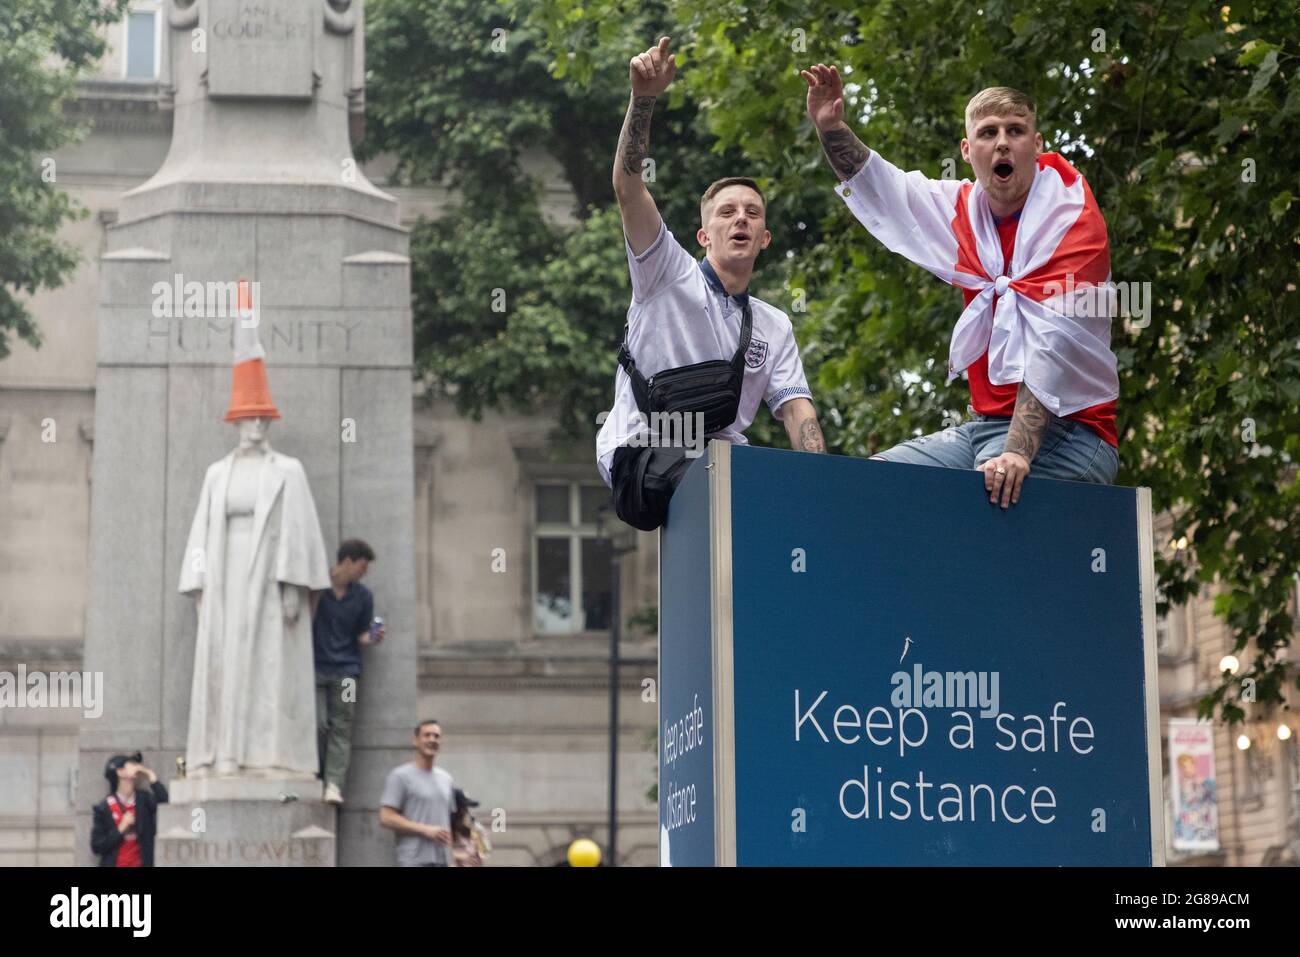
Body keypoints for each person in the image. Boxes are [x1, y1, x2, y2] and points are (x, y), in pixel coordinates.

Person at [802, 66, 1120, 508]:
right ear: (968, 151)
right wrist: (831, 127)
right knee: (867, 485)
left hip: (1070, 434)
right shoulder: (965, 212)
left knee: (981, 496)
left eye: (1016, 130)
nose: (1003, 142)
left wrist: (1014, 452)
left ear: (1038, 144)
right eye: (989, 132)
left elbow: (1054, 350)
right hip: (985, 428)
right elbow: (890, 191)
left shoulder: (1071, 218)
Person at [597, 36, 825, 530]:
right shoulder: (665, 274)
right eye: (727, 212)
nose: (740, 218)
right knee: (726, 491)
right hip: (644, 453)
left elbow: (796, 411)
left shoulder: (774, 324)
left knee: (774, 500)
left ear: (764, 238)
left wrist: (818, 482)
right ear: (704, 235)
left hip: (724, 466)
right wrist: (643, 99)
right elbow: (627, 185)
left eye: (752, 213)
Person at [311, 538, 384, 806]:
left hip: (348, 671)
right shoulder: (317, 587)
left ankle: (333, 784)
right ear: (348, 562)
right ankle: (317, 776)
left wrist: (372, 637)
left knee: (343, 725)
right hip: (316, 668)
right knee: (318, 724)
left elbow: (362, 635)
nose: (363, 573)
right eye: (362, 567)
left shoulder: (363, 596)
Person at [378, 720, 455, 867]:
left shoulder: (447, 779)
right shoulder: (400, 776)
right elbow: (385, 817)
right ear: (415, 741)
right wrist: (425, 829)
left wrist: (454, 858)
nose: (432, 739)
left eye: (436, 736)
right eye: (427, 735)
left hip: (442, 861)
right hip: (413, 861)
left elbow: (448, 823)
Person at [90, 752, 169, 867]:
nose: (136, 766)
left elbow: (164, 802)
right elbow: (97, 846)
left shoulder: (144, 800)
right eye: (130, 764)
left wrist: (151, 776)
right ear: (120, 772)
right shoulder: (104, 807)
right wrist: (120, 829)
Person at [451, 789, 490, 867]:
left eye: (467, 808)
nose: (467, 812)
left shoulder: (475, 828)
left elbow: (484, 852)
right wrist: (458, 856)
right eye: (464, 808)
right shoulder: (444, 828)